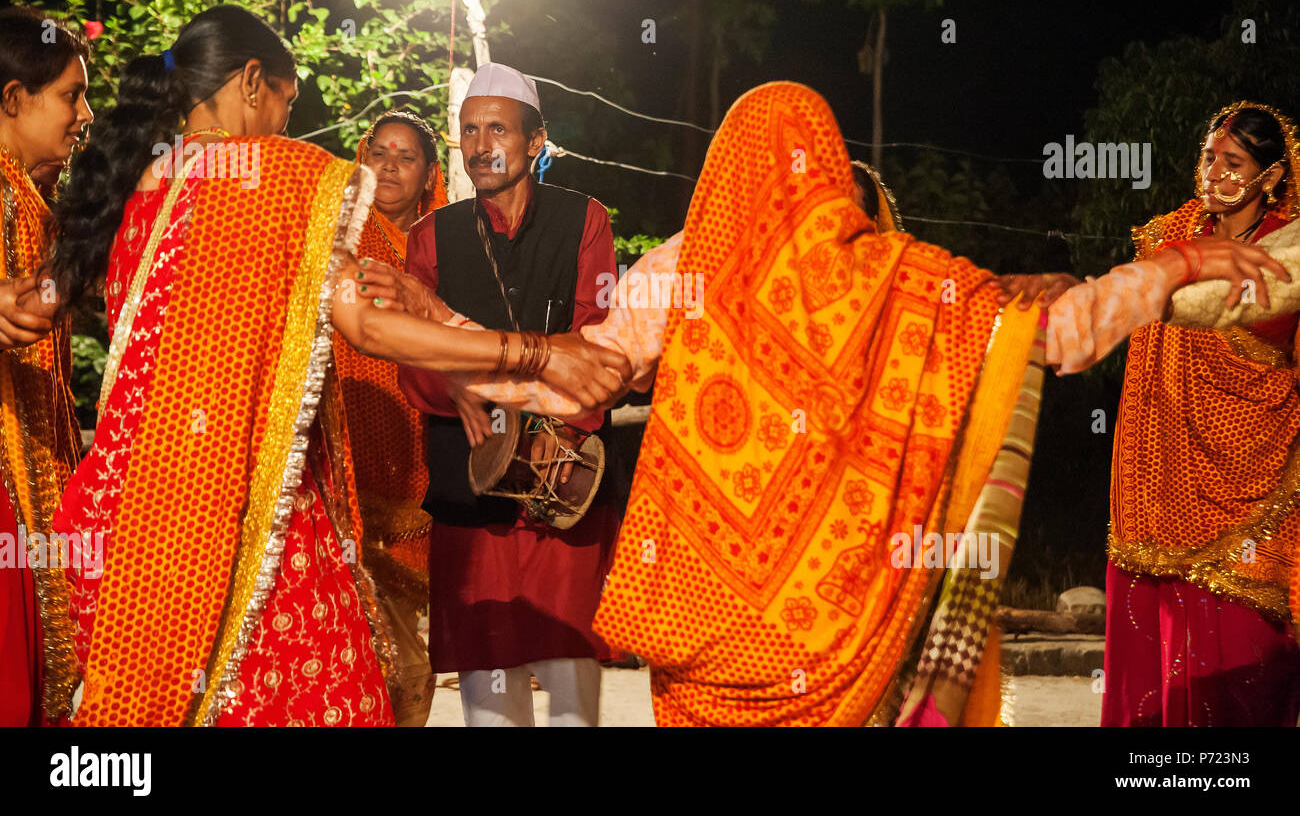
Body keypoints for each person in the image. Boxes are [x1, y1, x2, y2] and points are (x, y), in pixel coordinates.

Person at [367, 81, 1289, 725]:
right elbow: (1062, 333)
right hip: (853, 641)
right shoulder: (895, 278)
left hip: (705, 642)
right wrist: (1177, 262)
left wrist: (435, 321)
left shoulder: (683, 274)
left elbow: (571, 377)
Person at [45, 6, 629, 727]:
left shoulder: (142, 194)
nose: (286, 128)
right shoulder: (278, 175)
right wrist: (539, 350)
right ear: (252, 82)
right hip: (257, 528)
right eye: (288, 106)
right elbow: (367, 326)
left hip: (134, 523)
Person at [395, 61, 623, 727]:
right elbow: (413, 361)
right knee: (490, 710)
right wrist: (452, 384)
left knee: (571, 698)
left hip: (563, 490)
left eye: (498, 128)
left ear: (535, 141)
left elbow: (599, 350)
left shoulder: (586, 222)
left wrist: (482, 382)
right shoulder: (430, 237)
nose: (480, 144)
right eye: (468, 129)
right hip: (471, 492)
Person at [1102, 101, 1300, 727]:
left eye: (1233, 161)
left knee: (1246, 670)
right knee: (1159, 679)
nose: (1214, 171)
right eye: (1209, 156)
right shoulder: (1168, 240)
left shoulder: (1288, 250)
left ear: (1270, 177)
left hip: (1255, 486)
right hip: (1158, 489)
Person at [332, 109, 447, 726]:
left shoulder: (445, 249)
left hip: (418, 458)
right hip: (342, 445)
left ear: (429, 174)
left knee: (405, 653)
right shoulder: (339, 235)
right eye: (379, 153)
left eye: (405, 157)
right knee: (348, 639)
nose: (389, 167)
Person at [0, 6, 91, 726]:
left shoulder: (35, 201)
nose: (85, 115)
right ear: (12, 100)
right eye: (70, 94)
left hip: (34, 483)